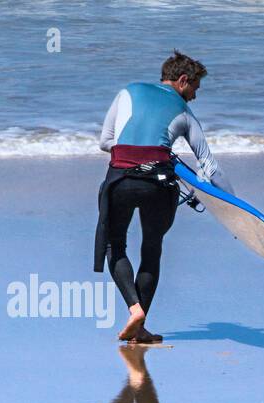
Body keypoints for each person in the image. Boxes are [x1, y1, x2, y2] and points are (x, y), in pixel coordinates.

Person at [94, 50, 231, 344]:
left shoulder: (128, 91)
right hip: (159, 184)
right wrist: (235, 206)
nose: (194, 96)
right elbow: (209, 166)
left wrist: (135, 149)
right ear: (183, 80)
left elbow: (105, 142)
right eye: (194, 88)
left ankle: (134, 309)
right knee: (151, 248)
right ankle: (141, 324)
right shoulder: (184, 111)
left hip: (120, 181)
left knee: (115, 245)